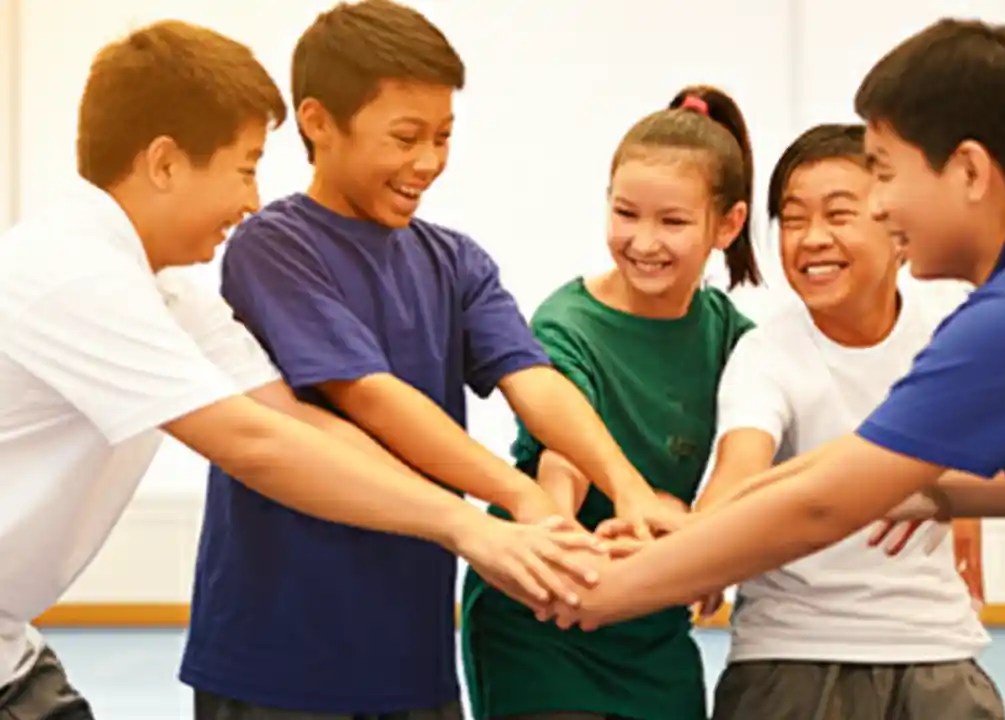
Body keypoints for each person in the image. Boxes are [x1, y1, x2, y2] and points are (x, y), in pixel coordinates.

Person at [546, 18, 1005, 720]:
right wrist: (694, 535)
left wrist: (611, 592)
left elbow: (824, 506)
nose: (883, 203)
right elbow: (846, 476)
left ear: (968, 170)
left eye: (885, 176)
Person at [0, 19, 599, 720]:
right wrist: (469, 527)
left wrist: (507, 518)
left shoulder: (164, 295)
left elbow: (292, 419)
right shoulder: (72, 274)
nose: (251, 198)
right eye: (245, 166)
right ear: (164, 163)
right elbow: (253, 445)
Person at [460, 85, 759, 720]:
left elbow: (752, 458)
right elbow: (560, 455)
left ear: (726, 225)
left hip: (651, 606)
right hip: (544, 606)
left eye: (673, 222)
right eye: (626, 214)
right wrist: (561, 538)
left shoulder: (733, 337)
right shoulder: (567, 322)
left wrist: (700, 541)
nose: (643, 241)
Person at [695, 122, 1005, 720]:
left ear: (899, 232)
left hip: (935, 651)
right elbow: (738, 471)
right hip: (790, 660)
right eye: (792, 219)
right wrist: (695, 545)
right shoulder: (768, 353)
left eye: (839, 215)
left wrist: (955, 512)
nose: (812, 239)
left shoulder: (953, 331)